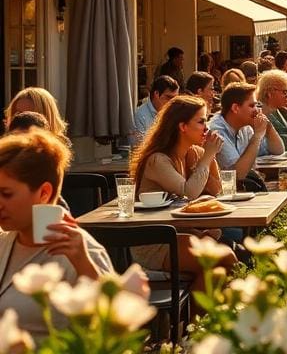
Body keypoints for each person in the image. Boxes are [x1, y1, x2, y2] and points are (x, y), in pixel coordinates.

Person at [0, 129, 115, 338]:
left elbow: (112, 324)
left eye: (6, 194)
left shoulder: (80, 251)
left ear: (44, 193)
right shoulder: (5, 241)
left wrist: (84, 264)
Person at [129, 95, 233, 286]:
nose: (206, 128)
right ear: (182, 126)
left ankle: (198, 314)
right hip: (155, 242)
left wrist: (208, 157)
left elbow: (217, 189)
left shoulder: (192, 152)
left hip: (181, 232)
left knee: (222, 265)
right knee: (224, 259)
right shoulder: (157, 160)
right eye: (201, 121)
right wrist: (208, 154)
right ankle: (201, 315)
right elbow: (189, 192)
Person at [208, 83, 284, 180]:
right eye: (252, 106)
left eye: (257, 105)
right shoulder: (217, 131)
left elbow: (278, 151)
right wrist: (257, 136)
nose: (257, 110)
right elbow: (237, 175)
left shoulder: (245, 126)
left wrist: (267, 126)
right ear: (235, 108)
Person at [257, 69, 287, 147]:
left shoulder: (276, 109)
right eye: (284, 92)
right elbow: (283, 139)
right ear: (270, 92)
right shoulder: (261, 111)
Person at [4, 87, 69, 143]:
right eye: (18, 114)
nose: (23, 120)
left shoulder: (59, 152)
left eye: (32, 115)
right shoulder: (5, 150)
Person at [133, 75, 179, 140]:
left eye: (175, 99)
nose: (172, 102)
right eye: (168, 97)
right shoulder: (140, 115)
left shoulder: (173, 112)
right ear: (156, 93)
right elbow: (138, 146)